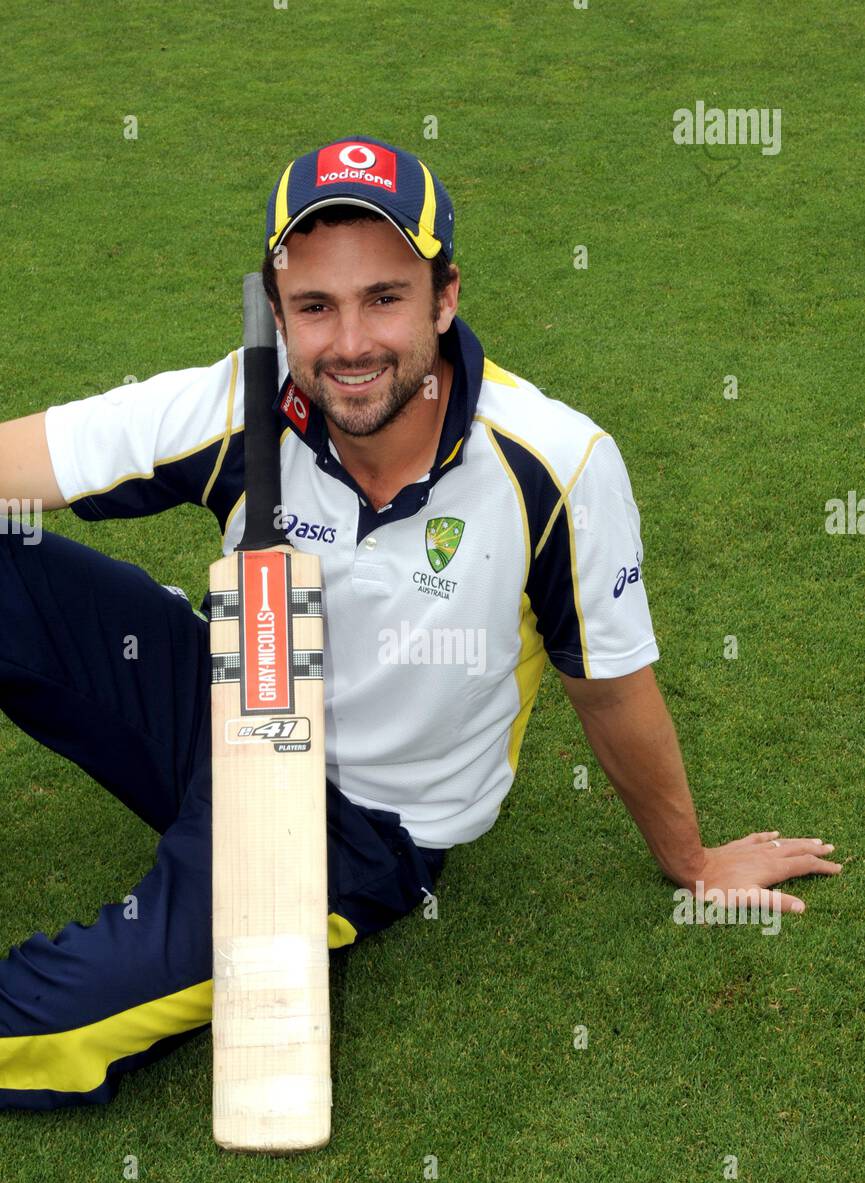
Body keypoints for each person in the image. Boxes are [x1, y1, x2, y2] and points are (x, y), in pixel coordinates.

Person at [0, 136, 841, 1110]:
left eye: (384, 298)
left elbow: (610, 687)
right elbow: (32, 457)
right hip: (230, 699)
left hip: (358, 822)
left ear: (443, 299)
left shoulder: (552, 465)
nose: (350, 342)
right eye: (315, 306)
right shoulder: (242, 402)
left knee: (57, 1020)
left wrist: (690, 860)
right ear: (278, 312)